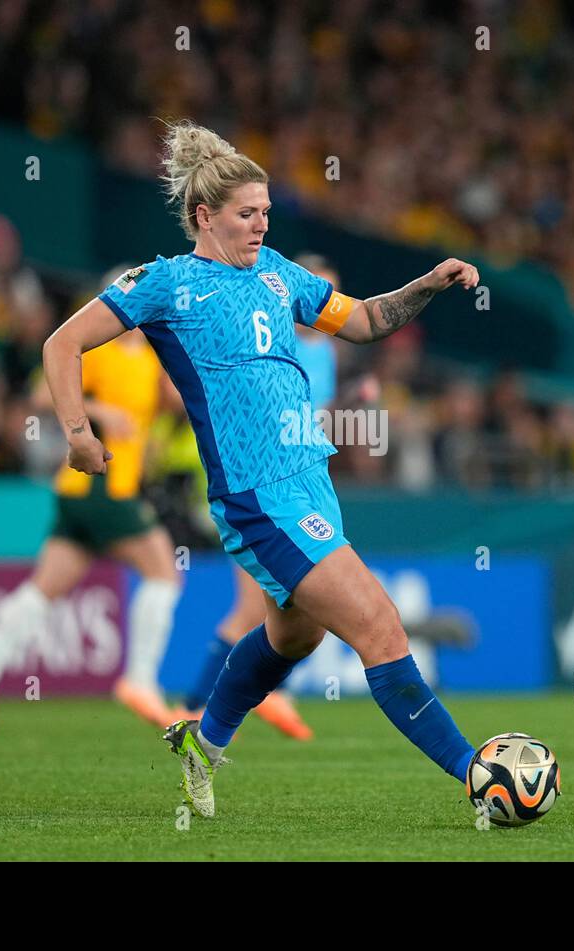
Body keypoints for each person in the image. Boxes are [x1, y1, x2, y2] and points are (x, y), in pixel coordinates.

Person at [41, 120, 481, 817]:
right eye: (247, 214)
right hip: (256, 496)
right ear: (203, 215)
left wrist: (427, 282)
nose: (259, 225)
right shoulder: (166, 285)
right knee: (380, 626)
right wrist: (77, 432)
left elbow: (363, 319)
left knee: (294, 634)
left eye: (266, 213)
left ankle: (202, 742)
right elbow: (63, 342)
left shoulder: (278, 271)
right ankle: (479, 775)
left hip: (311, 483)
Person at [0, 280, 186, 735]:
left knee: (47, 587)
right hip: (104, 485)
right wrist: (100, 414)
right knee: (163, 572)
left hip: (81, 490)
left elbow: (171, 403)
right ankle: (139, 680)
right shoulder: (98, 349)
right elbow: (42, 396)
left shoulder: (146, 357)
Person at [179, 253, 344, 741]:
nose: (323, 306)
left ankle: (261, 697)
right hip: (257, 483)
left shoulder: (328, 354)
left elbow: (316, 412)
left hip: (303, 481)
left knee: (291, 609)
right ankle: (194, 706)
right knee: (256, 608)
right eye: (317, 292)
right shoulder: (273, 334)